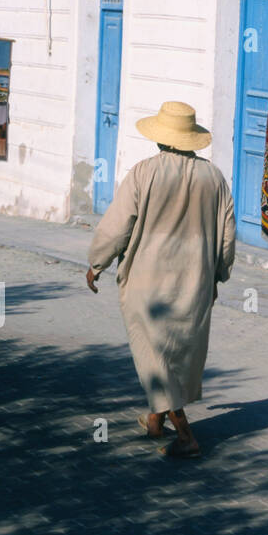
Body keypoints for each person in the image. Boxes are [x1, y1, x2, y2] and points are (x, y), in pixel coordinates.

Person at [86, 101, 236, 458]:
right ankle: (155, 420)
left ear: (160, 139)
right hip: (194, 283)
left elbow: (117, 226)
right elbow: (227, 238)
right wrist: (217, 276)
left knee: (154, 354)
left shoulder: (144, 173)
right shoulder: (214, 178)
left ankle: (186, 436)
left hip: (146, 282)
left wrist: (97, 263)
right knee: (173, 354)